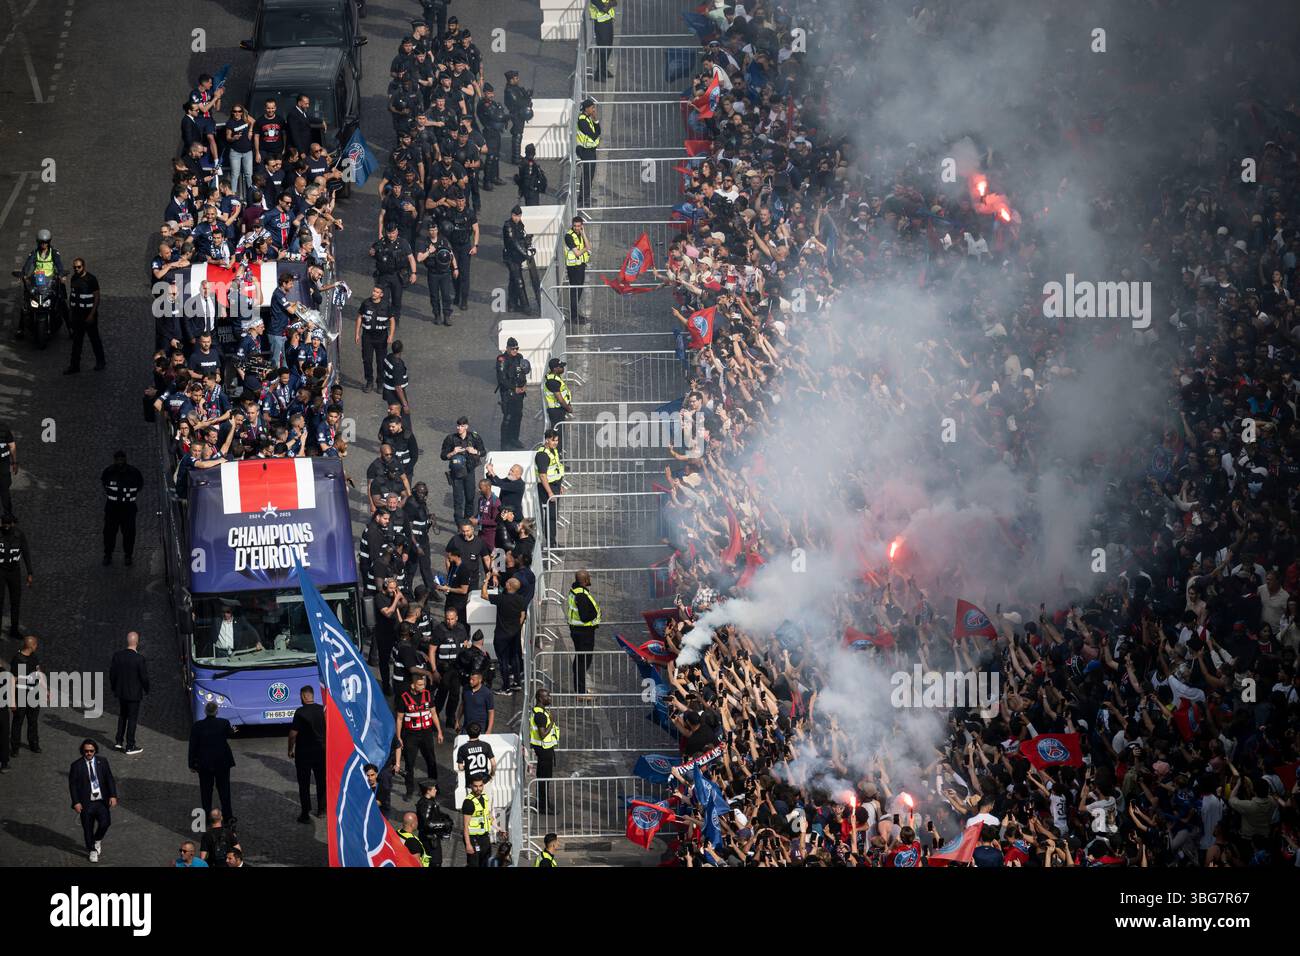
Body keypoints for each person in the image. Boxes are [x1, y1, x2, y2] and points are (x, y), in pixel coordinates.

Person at [395, 672, 444, 801]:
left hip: (426, 733)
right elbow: (400, 719)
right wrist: (399, 737)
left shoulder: (428, 695)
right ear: (413, 685)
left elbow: (433, 714)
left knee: (431, 762)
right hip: (411, 735)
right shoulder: (404, 698)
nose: (423, 687)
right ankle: (409, 791)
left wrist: (439, 731)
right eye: (420, 685)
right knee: (409, 764)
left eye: (424, 684)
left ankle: (434, 788)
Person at [69, 739, 117, 863]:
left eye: (91, 751)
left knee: (105, 823)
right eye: (86, 751)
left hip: (101, 801)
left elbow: (109, 779)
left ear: (95, 750)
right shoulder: (76, 766)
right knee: (87, 828)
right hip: (87, 802)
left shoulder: (103, 762)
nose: (89, 753)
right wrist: (76, 802)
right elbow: (73, 786)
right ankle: (92, 850)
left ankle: (97, 840)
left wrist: (113, 795)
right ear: (82, 751)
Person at [189, 699, 236, 822]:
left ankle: (206, 817)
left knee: (205, 791)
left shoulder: (197, 726)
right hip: (222, 762)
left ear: (205, 712)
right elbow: (230, 733)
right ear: (217, 712)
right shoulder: (224, 723)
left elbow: (192, 746)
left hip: (204, 763)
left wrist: (191, 764)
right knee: (224, 790)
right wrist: (234, 730)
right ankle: (228, 816)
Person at [289, 685, 326, 823]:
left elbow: (293, 734)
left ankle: (305, 813)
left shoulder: (300, 712)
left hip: (303, 753)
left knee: (303, 784)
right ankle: (322, 810)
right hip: (321, 752)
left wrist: (290, 749)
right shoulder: (322, 709)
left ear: (304, 696)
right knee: (321, 781)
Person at [483, 572, 526, 692]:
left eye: (507, 582)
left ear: (510, 586)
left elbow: (484, 595)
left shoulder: (501, 599)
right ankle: (517, 682)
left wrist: (486, 581)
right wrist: (517, 627)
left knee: (503, 661)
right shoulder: (521, 599)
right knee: (514, 658)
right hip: (515, 634)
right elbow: (522, 615)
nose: (505, 583)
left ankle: (506, 686)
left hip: (501, 635)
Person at [441, 416, 486, 527]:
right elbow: (443, 455)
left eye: (462, 426)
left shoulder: (474, 437)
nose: (459, 428)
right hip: (456, 474)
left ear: (466, 426)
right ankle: (459, 525)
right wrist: (452, 452)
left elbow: (483, 452)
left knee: (470, 498)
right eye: (458, 426)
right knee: (458, 500)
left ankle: (467, 522)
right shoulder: (450, 438)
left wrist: (475, 451)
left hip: (469, 471)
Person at [368, 223, 416, 328]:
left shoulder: (403, 243)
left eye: (393, 233)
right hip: (383, 276)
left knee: (397, 299)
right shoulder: (381, 242)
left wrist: (413, 273)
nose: (391, 235)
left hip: (397, 276)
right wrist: (372, 252)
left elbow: (411, 258)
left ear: (397, 232)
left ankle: (395, 320)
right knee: (383, 299)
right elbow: (372, 251)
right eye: (389, 233)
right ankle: (384, 319)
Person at [108, 631, 149, 755]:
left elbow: (112, 674)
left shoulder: (117, 656)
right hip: (134, 694)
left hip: (121, 693)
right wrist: (146, 689)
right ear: (137, 642)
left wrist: (115, 688)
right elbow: (144, 678)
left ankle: (119, 741)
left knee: (122, 716)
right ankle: (130, 745)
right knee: (132, 719)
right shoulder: (139, 659)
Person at [102, 451, 143, 566]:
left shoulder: (134, 473)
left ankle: (128, 555)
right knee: (109, 533)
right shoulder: (108, 472)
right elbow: (104, 485)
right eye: (118, 459)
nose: (120, 462)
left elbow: (139, 486)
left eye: (122, 459)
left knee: (129, 534)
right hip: (112, 509)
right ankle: (108, 554)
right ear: (114, 460)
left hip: (128, 509)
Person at [65, 257, 105, 373]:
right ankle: (74, 366)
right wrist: (71, 313)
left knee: (94, 339)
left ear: (84, 266)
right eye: (74, 267)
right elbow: (72, 296)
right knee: (77, 341)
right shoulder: (73, 278)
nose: (76, 269)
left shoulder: (91, 279)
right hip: (77, 315)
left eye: (79, 267)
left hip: (88, 315)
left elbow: (97, 297)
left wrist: (92, 315)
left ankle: (101, 361)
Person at [416, 222, 458, 326]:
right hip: (433, 273)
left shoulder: (443, 240)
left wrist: (455, 268)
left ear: (437, 230)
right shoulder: (424, 242)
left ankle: (447, 316)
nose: (433, 232)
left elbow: (451, 254)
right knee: (434, 296)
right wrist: (429, 252)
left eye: (435, 230)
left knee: (446, 295)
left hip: (445, 272)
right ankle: (437, 315)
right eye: (431, 230)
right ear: (428, 231)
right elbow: (419, 258)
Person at [355, 285, 394, 393]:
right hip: (367, 336)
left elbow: (392, 320)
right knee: (367, 360)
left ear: (381, 295)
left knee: (381, 361)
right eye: (374, 291)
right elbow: (359, 317)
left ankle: (380, 383)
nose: (374, 293)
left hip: (381, 337)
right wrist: (357, 333)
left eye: (377, 292)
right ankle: (369, 381)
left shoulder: (386, 305)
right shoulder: (366, 303)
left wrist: (390, 335)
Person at [568, 570, 601, 696]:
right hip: (584, 632)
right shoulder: (581, 595)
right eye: (588, 577)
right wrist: (596, 613)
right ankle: (581, 692)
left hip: (577, 631)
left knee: (580, 660)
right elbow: (584, 616)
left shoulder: (575, 590)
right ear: (586, 580)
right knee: (584, 661)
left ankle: (579, 689)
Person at [0, 513, 33, 638]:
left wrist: (30, 573)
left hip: (14, 572)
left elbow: (26, 553)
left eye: (8, 524)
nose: (6, 527)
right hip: (0, 571)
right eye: (4, 524)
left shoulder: (19, 535)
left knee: (15, 601)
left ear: (13, 524)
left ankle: (14, 630)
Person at [495, 337, 530, 450]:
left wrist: (524, 385)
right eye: (513, 348)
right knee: (508, 418)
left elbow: (523, 373)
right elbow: (501, 379)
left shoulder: (519, 357)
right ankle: (504, 443)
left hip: (519, 393)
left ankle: (514, 438)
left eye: (517, 348)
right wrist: (513, 388)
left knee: (518, 416)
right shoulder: (502, 360)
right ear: (507, 348)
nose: (515, 351)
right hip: (507, 393)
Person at [9, 635, 42, 754]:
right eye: (36, 644)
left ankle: (34, 744)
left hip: (33, 693)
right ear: (31, 646)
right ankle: (15, 747)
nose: (37, 646)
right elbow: (12, 680)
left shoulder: (33, 656)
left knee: (33, 721)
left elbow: (38, 671)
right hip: (21, 694)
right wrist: (12, 700)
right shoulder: (17, 659)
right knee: (18, 721)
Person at [476, 82, 510, 188]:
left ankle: (495, 177)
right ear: (484, 93)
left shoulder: (493, 103)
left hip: (496, 132)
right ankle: (487, 181)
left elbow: (500, 113)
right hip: (489, 132)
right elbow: (496, 116)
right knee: (490, 156)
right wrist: (507, 116)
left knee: (496, 156)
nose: (491, 95)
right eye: (489, 93)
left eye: (492, 93)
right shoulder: (483, 104)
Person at [531, 688, 559, 813]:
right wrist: (552, 722)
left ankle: (543, 803)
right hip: (544, 751)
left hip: (545, 750)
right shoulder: (540, 715)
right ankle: (543, 807)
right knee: (544, 779)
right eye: (547, 696)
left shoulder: (540, 711)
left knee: (544, 779)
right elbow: (543, 734)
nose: (550, 698)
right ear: (541, 698)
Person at [535, 429, 565, 546]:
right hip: (548, 488)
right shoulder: (542, 455)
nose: (556, 443)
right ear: (547, 440)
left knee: (553, 515)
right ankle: (551, 543)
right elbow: (542, 475)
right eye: (553, 441)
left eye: (557, 440)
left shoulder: (553, 450)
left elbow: (557, 469)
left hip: (555, 486)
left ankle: (552, 541)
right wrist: (550, 493)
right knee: (551, 516)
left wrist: (559, 485)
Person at [502, 206, 533, 315]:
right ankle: (526, 306)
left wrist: (526, 241)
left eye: (518, 216)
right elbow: (513, 242)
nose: (516, 218)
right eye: (515, 216)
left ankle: (512, 304)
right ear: (512, 214)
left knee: (513, 280)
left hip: (517, 257)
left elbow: (520, 239)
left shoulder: (519, 224)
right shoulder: (508, 226)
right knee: (519, 281)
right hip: (511, 257)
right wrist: (525, 254)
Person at [415, 779, 453, 867]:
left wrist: (444, 816)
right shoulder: (427, 804)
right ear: (428, 791)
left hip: (431, 837)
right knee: (435, 862)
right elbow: (427, 824)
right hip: (429, 839)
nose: (436, 790)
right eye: (434, 788)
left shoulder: (429, 801)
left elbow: (434, 815)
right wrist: (444, 825)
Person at [563, 215, 591, 323]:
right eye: (575, 226)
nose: (576, 228)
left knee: (579, 290)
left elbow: (589, 245)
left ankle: (575, 313)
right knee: (574, 291)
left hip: (581, 266)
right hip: (573, 268)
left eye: (579, 226)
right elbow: (577, 252)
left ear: (582, 226)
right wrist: (586, 248)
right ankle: (574, 316)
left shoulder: (580, 234)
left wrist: (583, 234)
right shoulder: (569, 236)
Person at [461, 773, 493, 866]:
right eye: (475, 786)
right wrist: (468, 844)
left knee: (486, 863)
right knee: (474, 864)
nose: (478, 788)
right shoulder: (468, 802)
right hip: (473, 839)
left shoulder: (484, 797)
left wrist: (499, 829)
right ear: (471, 786)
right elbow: (465, 826)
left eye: (480, 786)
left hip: (484, 837)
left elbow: (488, 816)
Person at [503, 70, 532, 165]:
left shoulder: (515, 88)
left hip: (520, 114)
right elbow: (520, 102)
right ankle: (516, 158)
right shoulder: (510, 90)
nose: (518, 79)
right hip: (516, 114)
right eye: (515, 78)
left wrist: (526, 95)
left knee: (518, 134)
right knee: (517, 135)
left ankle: (517, 155)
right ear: (511, 79)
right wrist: (527, 98)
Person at [574, 99, 600, 207]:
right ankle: (583, 199)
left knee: (590, 175)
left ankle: (585, 196)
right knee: (586, 176)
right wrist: (594, 122)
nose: (593, 110)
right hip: (585, 151)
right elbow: (593, 135)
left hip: (591, 150)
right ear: (586, 108)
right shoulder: (582, 120)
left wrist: (596, 120)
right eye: (592, 108)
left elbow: (598, 131)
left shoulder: (588, 118)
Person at [458, 668, 494, 735]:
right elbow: (462, 705)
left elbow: (491, 712)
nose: (470, 681)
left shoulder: (487, 693)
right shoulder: (466, 689)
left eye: (473, 680)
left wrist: (489, 730)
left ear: (480, 680)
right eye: (470, 679)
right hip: (466, 726)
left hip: (480, 729)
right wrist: (457, 720)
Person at [544, 357, 573, 438]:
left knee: (559, 433)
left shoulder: (555, 377)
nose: (563, 368)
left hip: (559, 409)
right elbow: (560, 399)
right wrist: (568, 408)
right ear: (555, 369)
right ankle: (557, 450)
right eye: (560, 367)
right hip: (556, 411)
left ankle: (558, 449)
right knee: (557, 435)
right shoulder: (552, 381)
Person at [588, 0, 616, 79]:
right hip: (600, 22)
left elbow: (615, 2)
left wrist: (609, 4)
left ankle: (603, 70)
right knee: (603, 48)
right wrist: (610, 4)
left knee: (609, 47)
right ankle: (599, 73)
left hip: (608, 19)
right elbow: (604, 8)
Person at [0, 423, 15, 519]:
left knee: (5, 491)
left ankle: (8, 515)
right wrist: (15, 462)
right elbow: (12, 446)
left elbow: (12, 445)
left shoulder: (4, 428)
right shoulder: (4, 428)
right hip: (3, 464)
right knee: (5, 491)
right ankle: (8, 515)